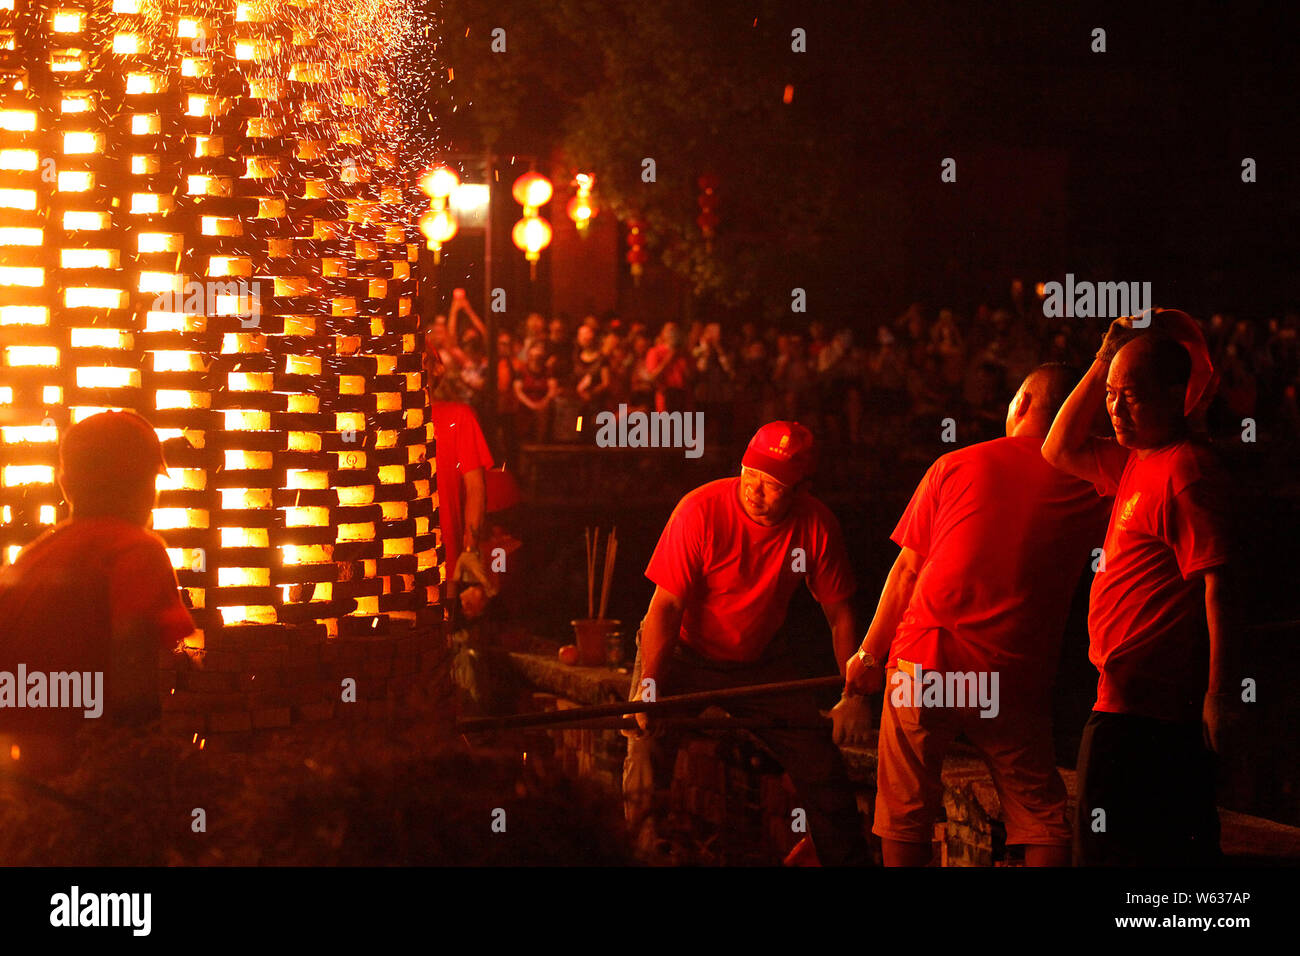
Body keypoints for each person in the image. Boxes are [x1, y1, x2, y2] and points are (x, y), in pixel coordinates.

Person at [846, 365, 1112, 866]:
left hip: (924, 661)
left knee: (906, 808)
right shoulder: (1093, 482)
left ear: (1022, 405)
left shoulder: (955, 463)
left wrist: (866, 655)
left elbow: (907, 571)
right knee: (1040, 813)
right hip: (1012, 674)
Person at [622, 421, 871, 865]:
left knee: (819, 758)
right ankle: (643, 856)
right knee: (645, 747)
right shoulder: (699, 510)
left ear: (801, 489)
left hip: (760, 660)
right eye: (749, 474)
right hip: (682, 652)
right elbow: (665, 608)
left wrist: (852, 693)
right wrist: (649, 689)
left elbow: (840, 615)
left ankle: (846, 860)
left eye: (771, 484)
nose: (754, 490)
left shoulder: (816, 526)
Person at [1042, 314, 1239, 866]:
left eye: (1132, 397)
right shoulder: (1132, 461)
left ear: (1176, 397)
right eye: (1110, 396)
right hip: (1121, 700)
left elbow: (1220, 588)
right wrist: (1104, 360)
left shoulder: (1186, 470)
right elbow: (1057, 448)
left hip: (1152, 716)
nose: (1115, 409)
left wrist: (1219, 697)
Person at [0, 411, 196, 776]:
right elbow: (134, 680)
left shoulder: (32, 558)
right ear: (147, 486)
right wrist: (144, 770)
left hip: (19, 778)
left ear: (64, 484)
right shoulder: (133, 550)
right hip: (81, 775)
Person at [423, 342, 494, 618]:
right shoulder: (386, 419)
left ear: (436, 368)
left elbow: (476, 488)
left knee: (440, 638)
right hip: (392, 558)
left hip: (445, 557)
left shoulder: (458, 417)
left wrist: (470, 548)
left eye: (422, 359)